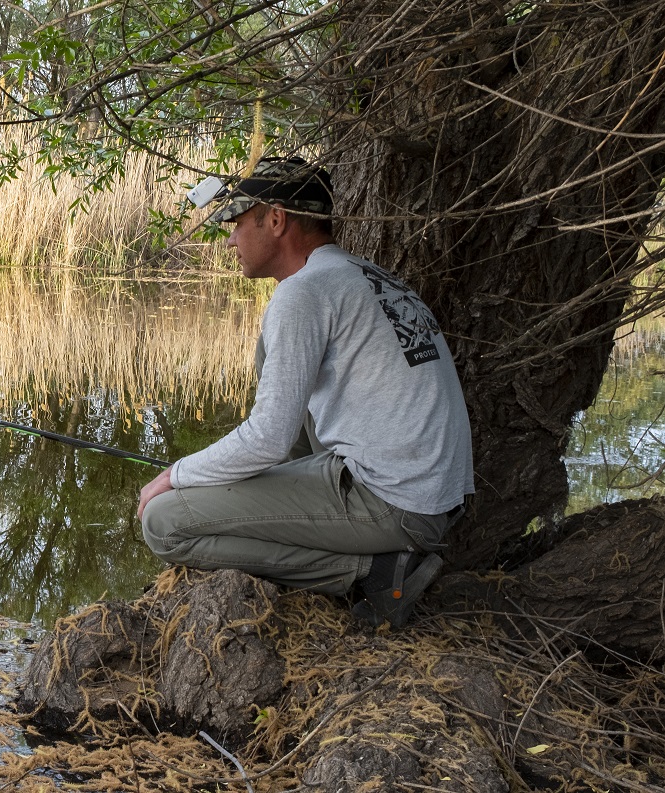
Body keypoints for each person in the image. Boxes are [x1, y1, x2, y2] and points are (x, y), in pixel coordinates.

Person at [138, 156, 474, 629]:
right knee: (266, 357)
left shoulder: (305, 292)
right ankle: (362, 552)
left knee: (164, 522)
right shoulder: (363, 277)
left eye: (234, 222)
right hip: (433, 498)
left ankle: (371, 573)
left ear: (276, 219)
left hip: (396, 505)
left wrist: (175, 475)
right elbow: (282, 435)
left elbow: (267, 439)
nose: (229, 239)